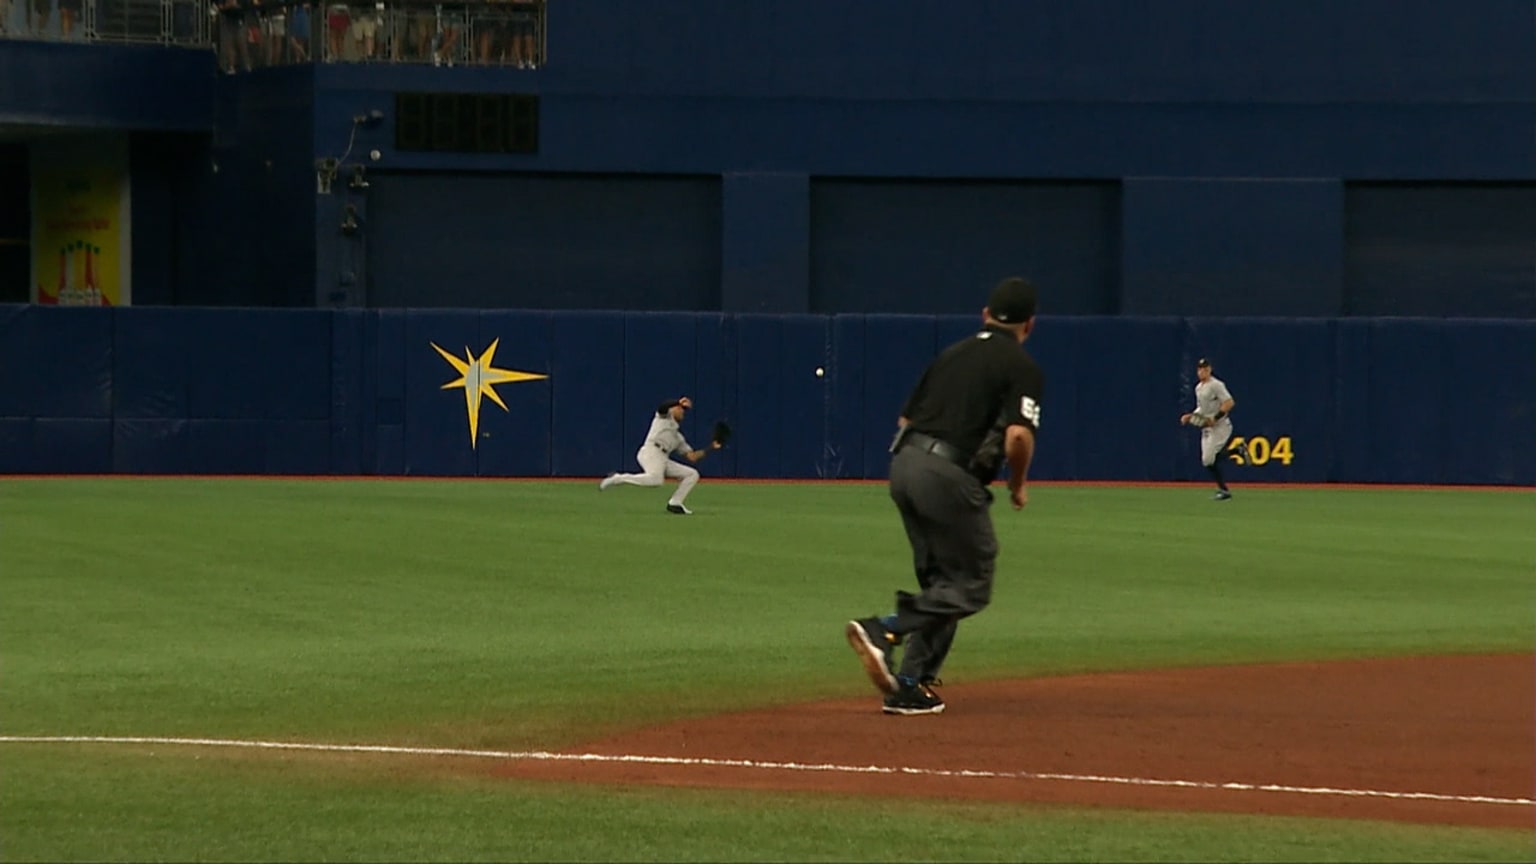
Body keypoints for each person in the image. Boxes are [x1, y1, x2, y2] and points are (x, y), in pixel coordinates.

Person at [846, 277, 1045, 716]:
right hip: (948, 473)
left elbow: (906, 416)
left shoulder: (950, 354)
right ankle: (885, 629)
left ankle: (909, 685)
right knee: (972, 584)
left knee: (944, 586)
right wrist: (1018, 482)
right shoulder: (1021, 365)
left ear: (985, 315)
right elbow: (1017, 437)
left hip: (904, 465)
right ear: (1029, 324)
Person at [598, 396, 721, 514]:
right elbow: (662, 407)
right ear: (673, 409)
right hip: (651, 451)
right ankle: (618, 478)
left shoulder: (678, 437)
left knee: (692, 474)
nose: (682, 412)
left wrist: (711, 447)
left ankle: (675, 502)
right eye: (680, 408)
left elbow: (692, 457)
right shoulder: (663, 418)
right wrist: (677, 401)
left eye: (683, 410)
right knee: (656, 480)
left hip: (663, 458)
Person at [1180, 357, 1247, 500]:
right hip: (1207, 427)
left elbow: (1229, 403)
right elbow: (1202, 409)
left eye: (1205, 369)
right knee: (1207, 461)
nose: (1202, 372)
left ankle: (1224, 490)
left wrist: (1215, 418)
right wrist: (1190, 416)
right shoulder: (1198, 387)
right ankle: (1237, 450)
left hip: (1221, 426)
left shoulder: (1216, 385)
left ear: (1209, 369)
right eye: (1199, 369)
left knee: (1210, 459)